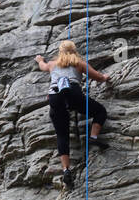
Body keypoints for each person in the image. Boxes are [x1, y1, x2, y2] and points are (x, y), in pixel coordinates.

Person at [35, 39, 110, 189]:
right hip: (73, 95)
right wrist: (106, 78)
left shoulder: (52, 64)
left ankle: (66, 170)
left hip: (55, 97)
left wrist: (39, 59)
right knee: (100, 111)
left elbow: (42, 66)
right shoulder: (79, 63)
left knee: (62, 135)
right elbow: (98, 77)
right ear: (74, 51)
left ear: (60, 52)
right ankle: (93, 137)